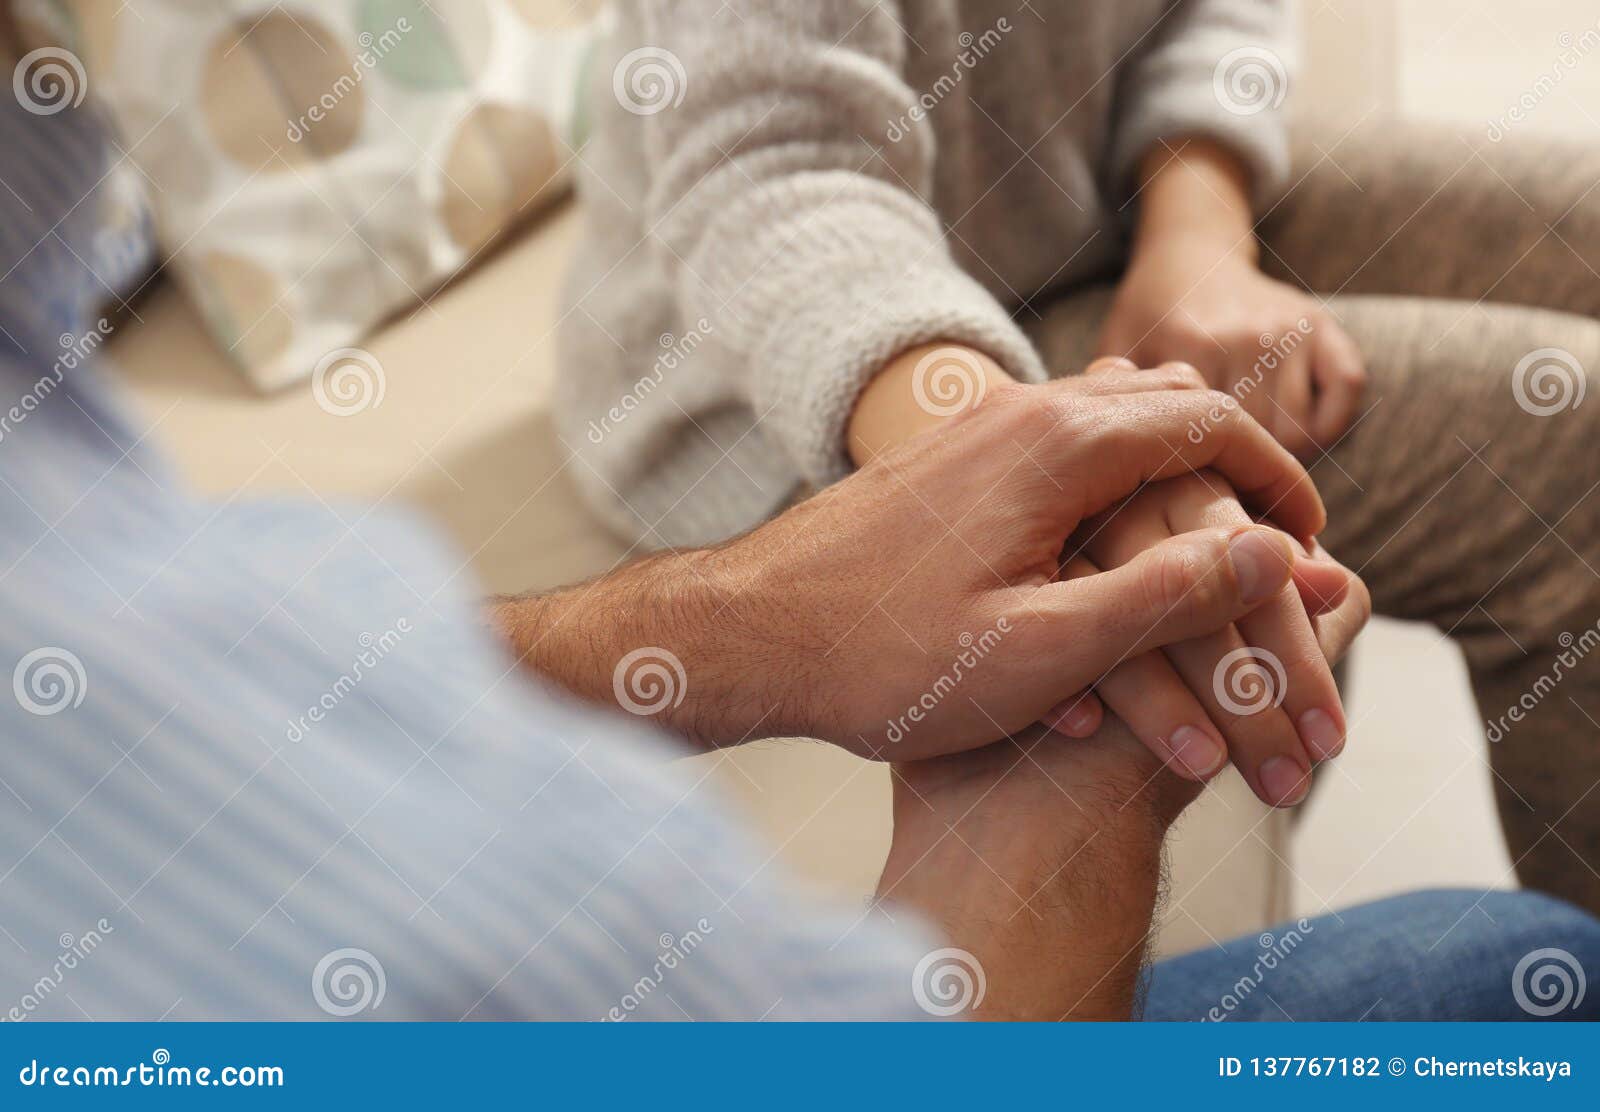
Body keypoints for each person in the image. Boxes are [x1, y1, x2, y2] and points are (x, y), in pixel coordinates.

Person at [3, 97, 1598, 1022]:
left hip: (1085, 231)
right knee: (1520, 971)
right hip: (867, 352)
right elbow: (766, 166)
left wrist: (1197, 217)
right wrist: (1061, 798)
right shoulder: (495, 915)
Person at [559, 0, 1600, 911]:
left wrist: (1199, 238)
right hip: (785, 368)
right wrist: (1020, 461)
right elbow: (772, 175)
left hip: (1082, 204)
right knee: (1578, 452)